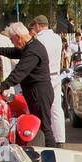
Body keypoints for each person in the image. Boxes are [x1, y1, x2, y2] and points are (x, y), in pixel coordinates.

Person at [0, 21, 58, 148]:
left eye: (13, 41)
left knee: (44, 127)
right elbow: (14, 52)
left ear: (18, 37)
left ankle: (53, 156)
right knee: (39, 125)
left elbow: (19, 72)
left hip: (39, 92)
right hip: (36, 91)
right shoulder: (29, 46)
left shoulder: (33, 50)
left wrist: (2, 87)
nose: (13, 44)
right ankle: (42, 153)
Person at [29, 16, 67, 144]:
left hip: (44, 76)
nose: (33, 29)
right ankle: (60, 139)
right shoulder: (57, 38)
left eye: (33, 27)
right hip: (55, 74)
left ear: (38, 26)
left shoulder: (39, 40)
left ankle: (46, 138)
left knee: (43, 109)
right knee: (56, 108)